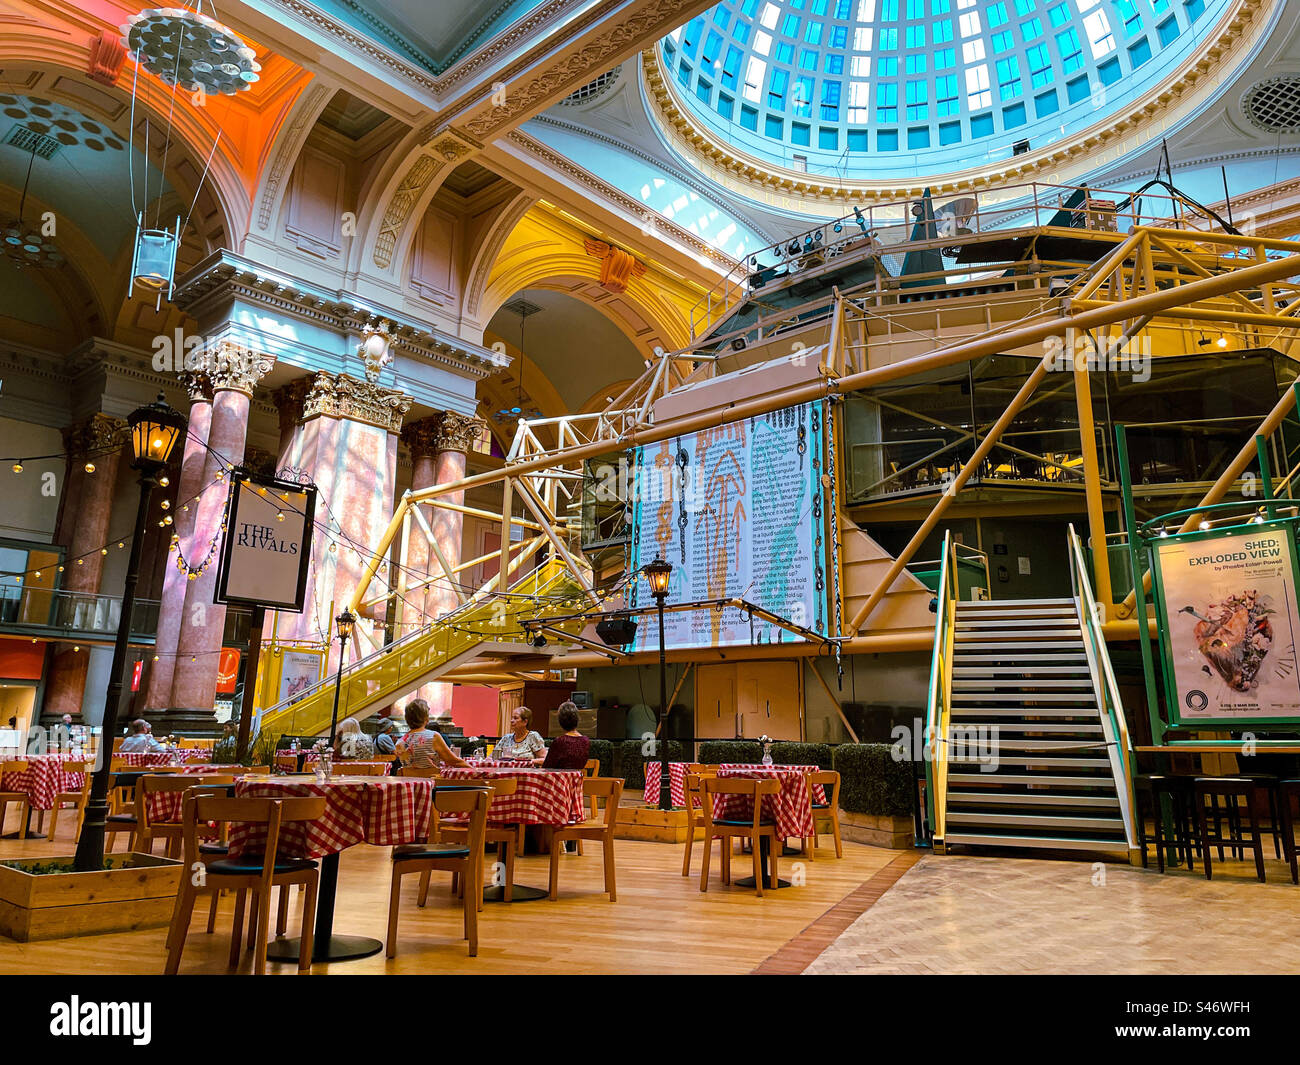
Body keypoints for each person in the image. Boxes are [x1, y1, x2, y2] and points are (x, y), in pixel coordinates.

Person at [395, 699, 467, 772]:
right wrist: (475, 770)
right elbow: (454, 762)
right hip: (432, 782)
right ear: (425, 718)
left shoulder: (399, 742)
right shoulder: (433, 737)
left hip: (410, 782)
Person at [543, 702, 590, 770]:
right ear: (577, 719)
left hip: (560, 779)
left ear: (560, 721)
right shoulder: (586, 741)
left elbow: (547, 767)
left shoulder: (559, 741)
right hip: (576, 779)